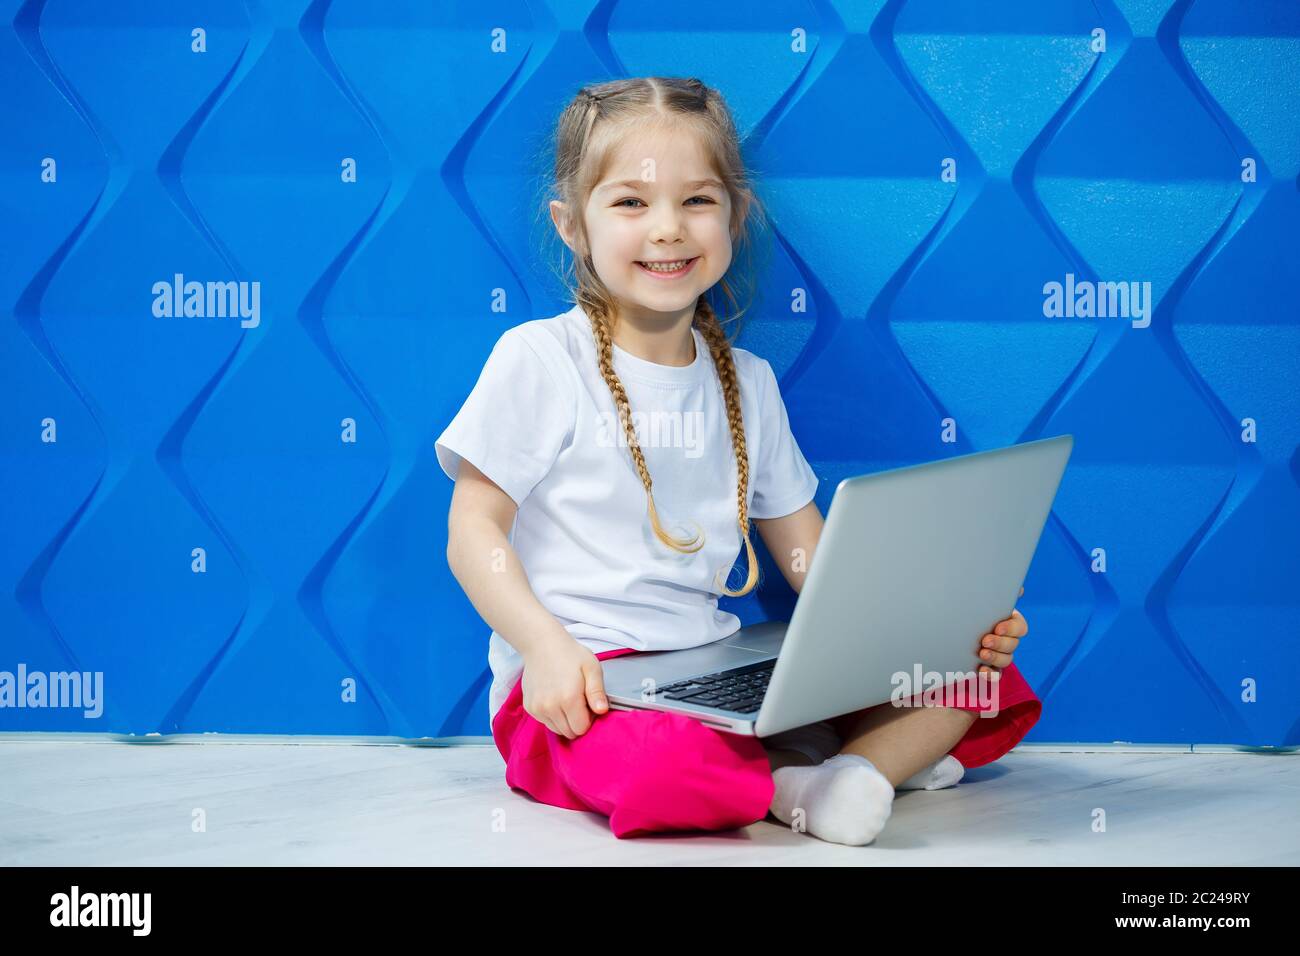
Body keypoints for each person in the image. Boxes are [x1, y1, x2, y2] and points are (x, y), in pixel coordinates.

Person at [436, 77, 1040, 845]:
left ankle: (849, 775)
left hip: (709, 666)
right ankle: (807, 776)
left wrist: (941, 624)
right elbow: (472, 533)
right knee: (671, 766)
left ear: (736, 216)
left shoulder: (748, 382)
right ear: (572, 225)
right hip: (579, 682)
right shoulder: (538, 358)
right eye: (630, 202)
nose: (668, 229)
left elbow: (810, 560)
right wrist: (543, 648)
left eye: (697, 201)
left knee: (972, 676)